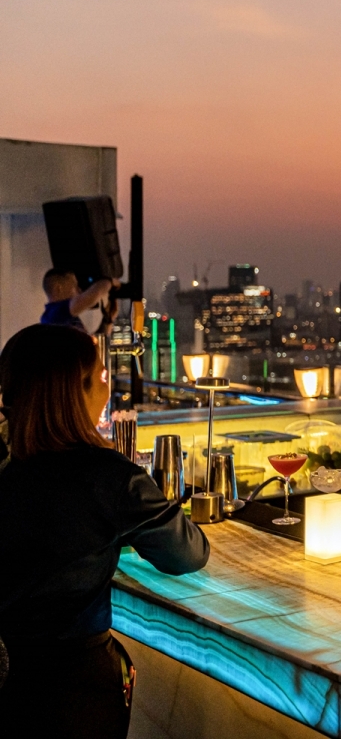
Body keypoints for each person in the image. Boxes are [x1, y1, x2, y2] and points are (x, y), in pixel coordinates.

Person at [0, 325, 209, 738]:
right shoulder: (110, 479)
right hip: (74, 690)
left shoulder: (8, 471)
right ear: (72, 391)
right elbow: (187, 553)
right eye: (99, 375)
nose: (107, 385)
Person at [40, 268, 118, 334]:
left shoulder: (59, 318)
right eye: (75, 285)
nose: (79, 290)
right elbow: (90, 297)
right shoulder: (53, 315)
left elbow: (89, 343)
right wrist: (110, 281)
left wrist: (108, 319)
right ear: (58, 288)